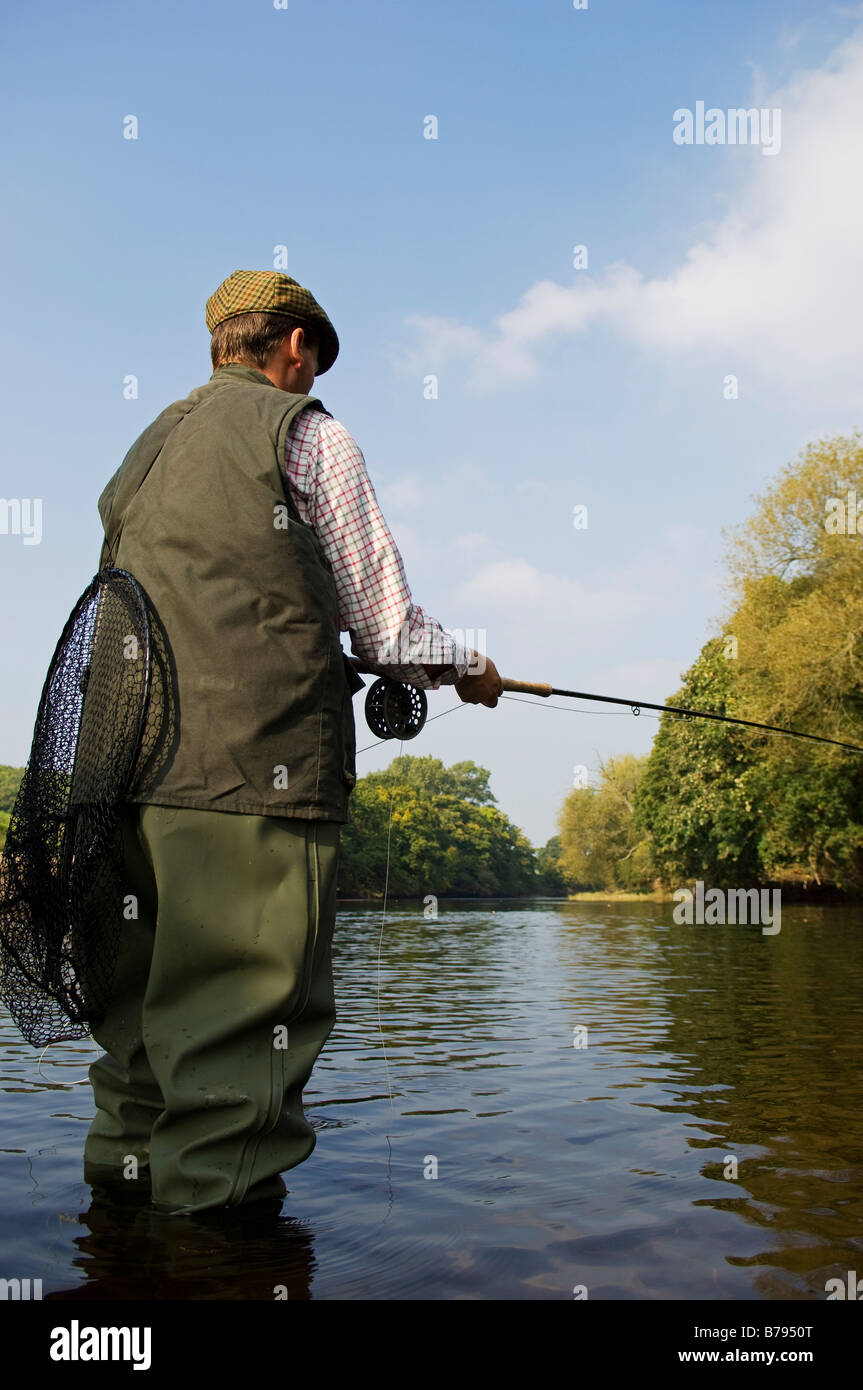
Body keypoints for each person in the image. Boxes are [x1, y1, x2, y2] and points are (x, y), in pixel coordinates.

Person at [84, 269, 503, 1216]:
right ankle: (217, 1268)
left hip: (113, 782)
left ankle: (111, 1276)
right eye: (310, 361)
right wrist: (470, 666)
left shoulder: (144, 451)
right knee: (235, 1064)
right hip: (249, 787)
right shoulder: (311, 434)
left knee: (139, 1056)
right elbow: (388, 633)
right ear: (295, 350)